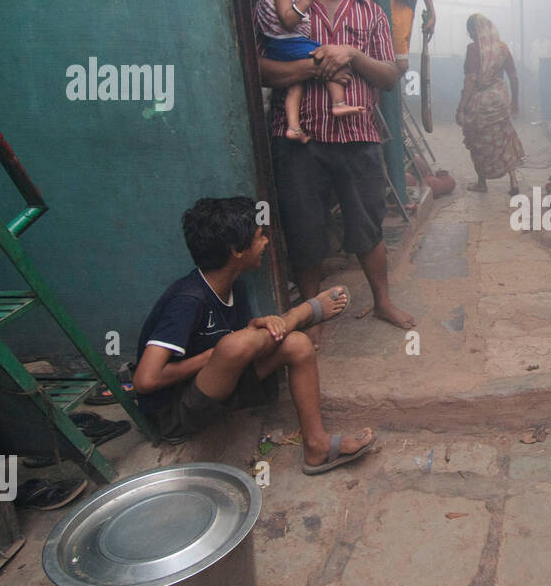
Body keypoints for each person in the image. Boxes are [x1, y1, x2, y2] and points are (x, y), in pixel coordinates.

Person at [257, 0, 416, 338]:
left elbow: (388, 77)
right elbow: (259, 69)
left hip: (357, 136)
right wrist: (313, 68)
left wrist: (351, 55)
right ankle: (310, 319)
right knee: (305, 229)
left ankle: (382, 301)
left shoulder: (371, 14)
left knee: (367, 225)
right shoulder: (279, 4)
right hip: (300, 138)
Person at [132, 197, 373, 475]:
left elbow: (236, 345)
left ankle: (317, 445)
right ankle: (299, 315)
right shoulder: (187, 300)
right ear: (236, 250)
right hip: (175, 413)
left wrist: (249, 331)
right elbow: (145, 380)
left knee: (297, 344)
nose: (266, 242)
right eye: (260, 237)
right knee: (238, 344)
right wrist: (212, 356)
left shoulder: (236, 287)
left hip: (216, 391)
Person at [258, 0, 364, 143]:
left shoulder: (369, 10)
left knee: (295, 85)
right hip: (286, 42)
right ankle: (338, 104)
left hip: (283, 45)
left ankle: (294, 127)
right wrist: (305, 0)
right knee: (327, 57)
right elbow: (288, 20)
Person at [456, 14, 524, 194]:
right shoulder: (502, 48)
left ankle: (482, 182)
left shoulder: (473, 49)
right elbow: (514, 77)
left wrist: (461, 108)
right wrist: (515, 101)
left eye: (470, 30)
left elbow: (470, 81)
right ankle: (514, 181)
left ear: (476, 30)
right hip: (500, 101)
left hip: (480, 103)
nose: (469, 35)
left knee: (478, 141)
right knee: (505, 139)